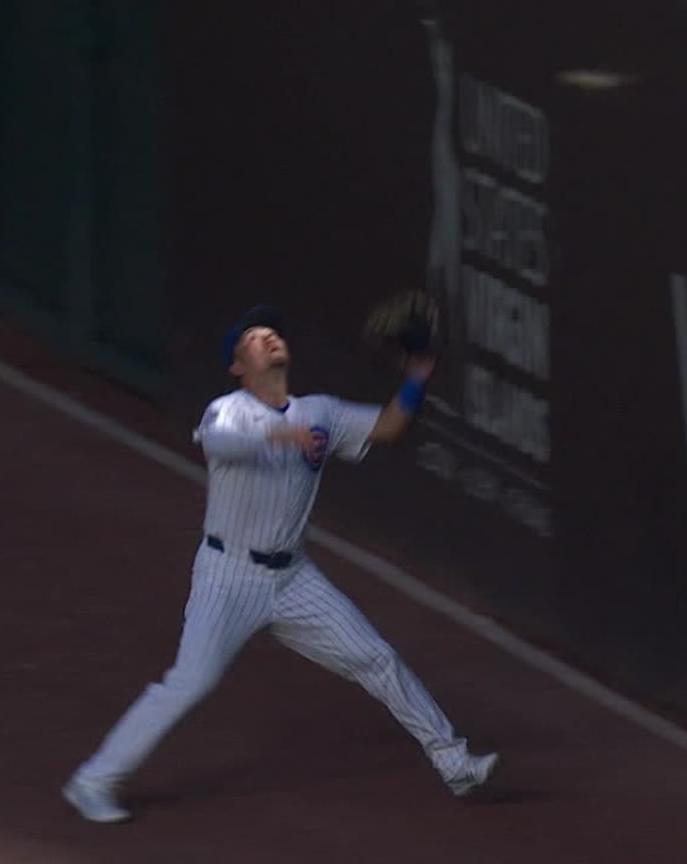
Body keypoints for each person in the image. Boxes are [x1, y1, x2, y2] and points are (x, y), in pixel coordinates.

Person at [62, 304, 498, 823]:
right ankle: (94, 780)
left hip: (292, 579)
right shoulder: (228, 410)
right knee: (191, 681)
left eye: (272, 332)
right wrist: (278, 435)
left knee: (376, 658)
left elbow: (387, 427)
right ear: (237, 366)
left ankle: (454, 763)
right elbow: (221, 441)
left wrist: (417, 377)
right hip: (227, 577)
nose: (267, 338)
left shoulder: (320, 412)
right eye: (253, 337)